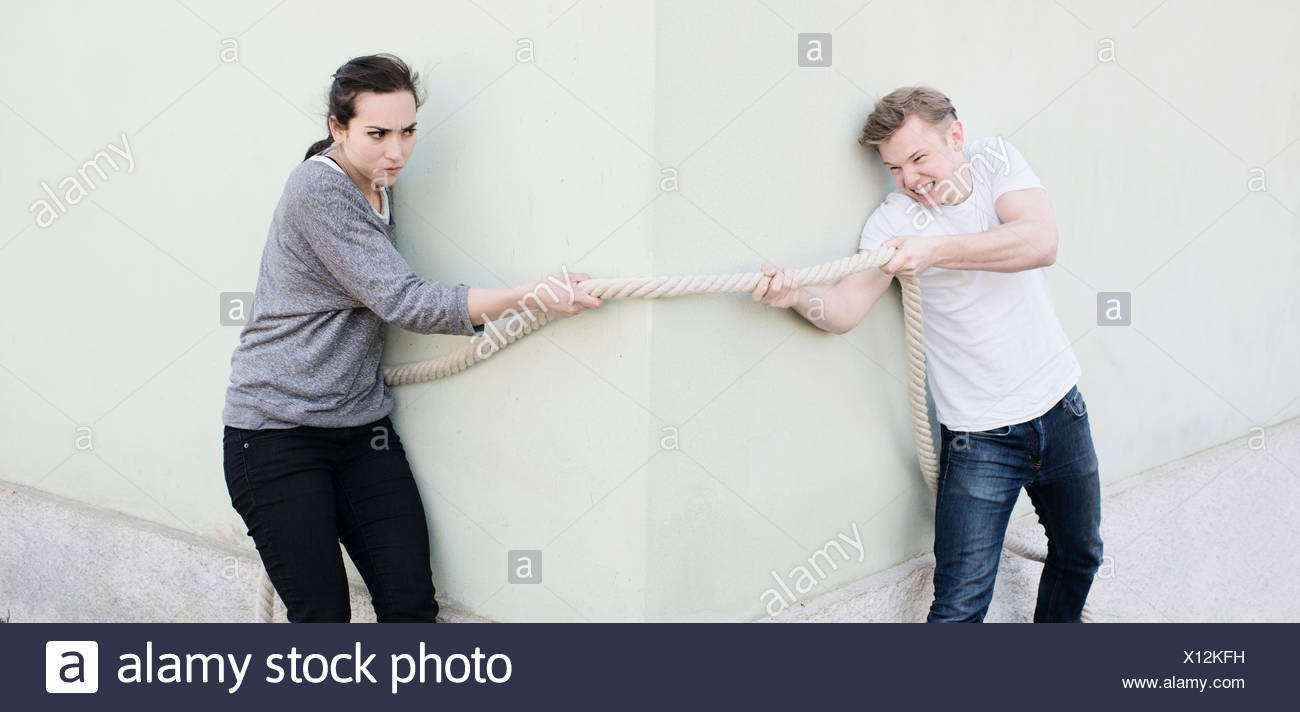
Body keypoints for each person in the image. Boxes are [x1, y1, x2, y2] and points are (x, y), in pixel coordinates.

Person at [221, 53, 603, 622]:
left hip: (359, 430)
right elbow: (405, 300)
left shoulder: (377, 181)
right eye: (377, 134)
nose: (396, 152)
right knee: (323, 622)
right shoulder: (317, 190)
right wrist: (533, 294)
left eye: (408, 131)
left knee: (409, 608)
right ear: (337, 128)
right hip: (276, 436)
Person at [751, 86, 1103, 622]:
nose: (910, 180)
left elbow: (1040, 241)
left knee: (1079, 556)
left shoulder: (996, 162)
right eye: (895, 168)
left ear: (955, 136)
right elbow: (845, 308)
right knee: (959, 606)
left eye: (918, 158)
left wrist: (936, 251)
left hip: (1061, 408)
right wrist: (795, 295)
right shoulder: (891, 224)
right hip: (980, 439)